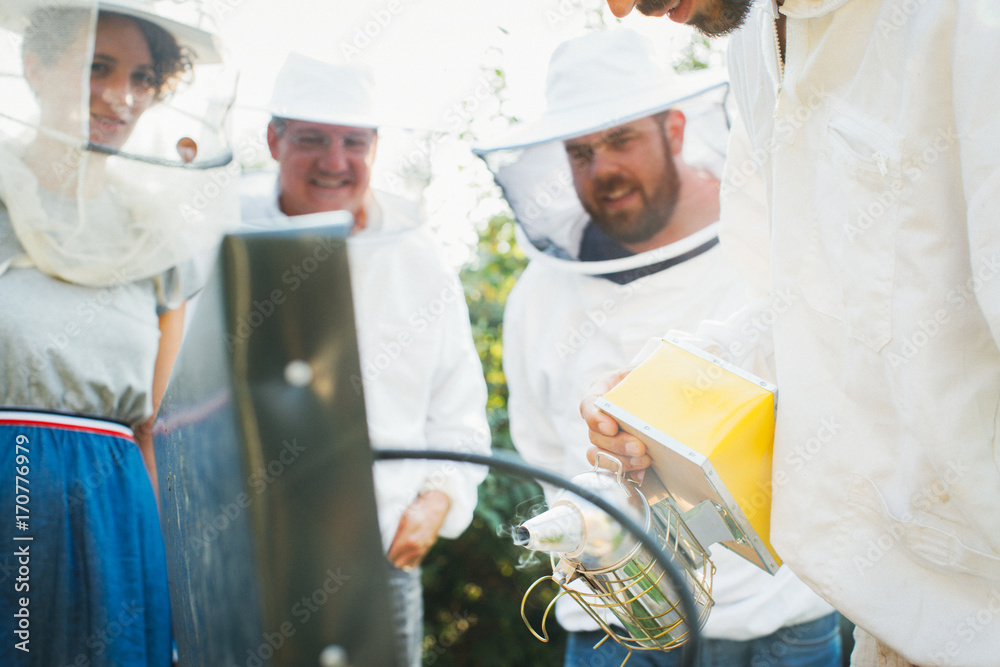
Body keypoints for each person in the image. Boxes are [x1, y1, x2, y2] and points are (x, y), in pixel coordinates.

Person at [582, 2, 1000, 666]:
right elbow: (801, 309)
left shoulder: (968, 21)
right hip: (887, 618)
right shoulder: (750, 42)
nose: (624, 6)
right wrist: (670, 393)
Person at [475, 28, 840, 667]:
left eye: (621, 140)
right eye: (581, 151)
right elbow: (541, 448)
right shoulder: (538, 296)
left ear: (673, 130)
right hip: (617, 628)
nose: (603, 169)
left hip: (784, 619)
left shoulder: (761, 238)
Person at [0, 1, 236, 665]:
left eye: (141, 78)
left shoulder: (157, 235)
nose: (120, 96)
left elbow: (153, 427)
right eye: (97, 67)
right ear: (35, 65)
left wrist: (175, 573)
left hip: (116, 514)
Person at [240, 52, 491, 667]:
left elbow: (458, 414)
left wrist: (436, 503)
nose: (334, 161)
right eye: (311, 140)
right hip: (236, 568)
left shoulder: (420, 260)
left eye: (353, 141)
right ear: (274, 139)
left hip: (377, 566)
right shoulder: (219, 233)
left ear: (376, 147)